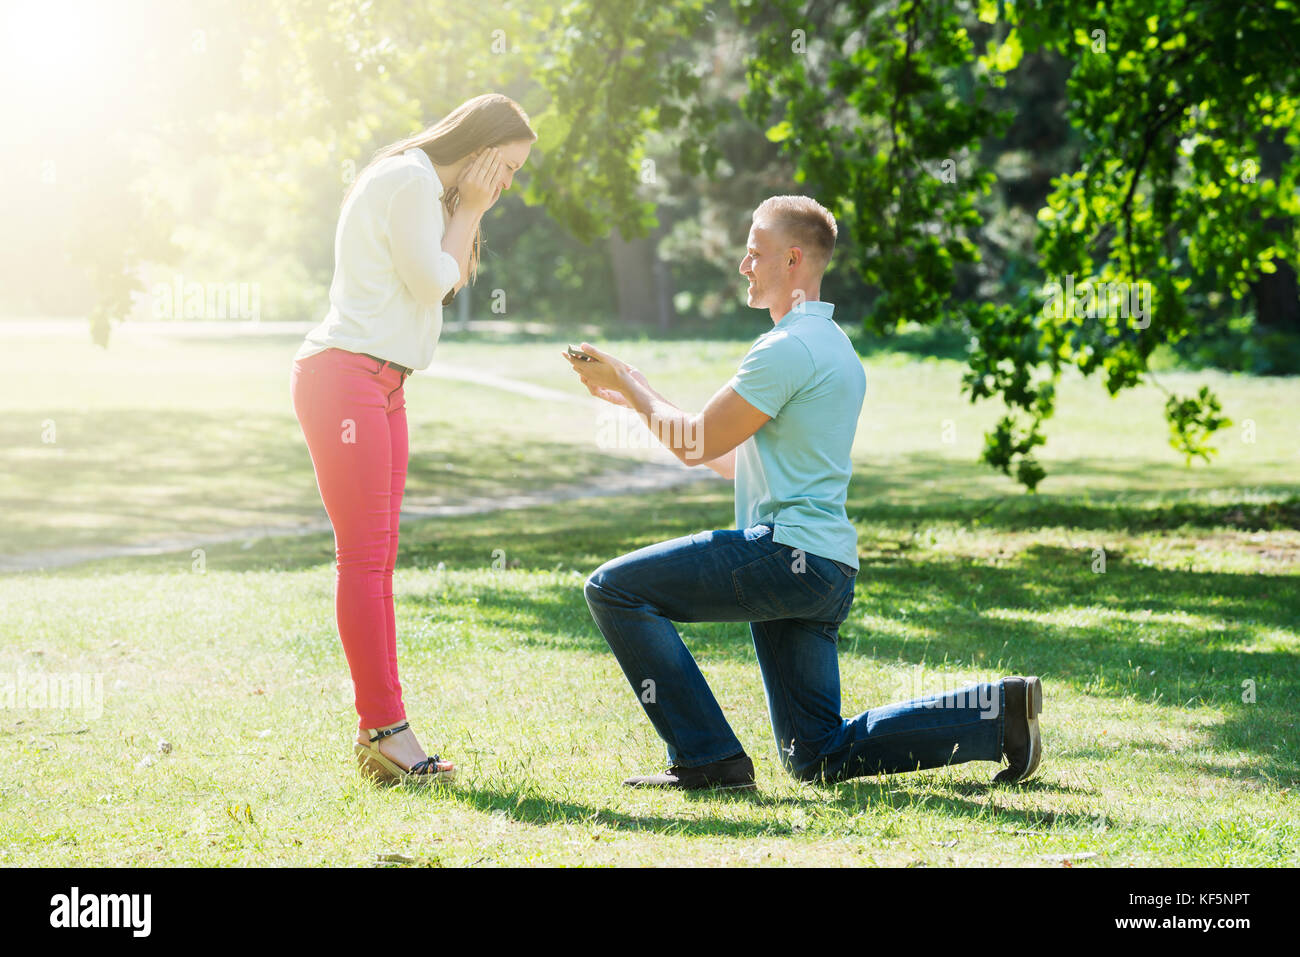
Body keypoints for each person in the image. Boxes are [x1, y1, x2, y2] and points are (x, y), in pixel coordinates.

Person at [564, 195, 1043, 790]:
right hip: (823, 568)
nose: (744, 265)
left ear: (792, 260)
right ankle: (998, 716)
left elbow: (692, 443)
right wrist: (634, 392)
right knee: (815, 755)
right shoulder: (833, 346)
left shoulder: (786, 348)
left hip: (784, 556)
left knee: (614, 590)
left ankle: (708, 758)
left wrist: (630, 386)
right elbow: (731, 461)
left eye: (754, 252)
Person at [291, 93, 536, 786]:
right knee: (364, 562)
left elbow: (431, 284)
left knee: (378, 560)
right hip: (346, 379)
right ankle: (385, 733)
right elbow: (434, 281)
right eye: (508, 168)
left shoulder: (424, 189)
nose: (507, 183)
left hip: (385, 384)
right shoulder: (409, 181)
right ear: (483, 147)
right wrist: (473, 208)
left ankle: (384, 730)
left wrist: (464, 209)